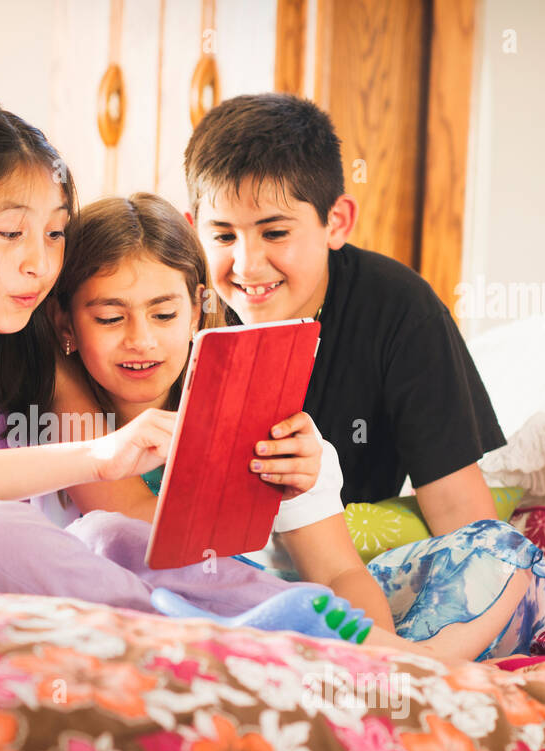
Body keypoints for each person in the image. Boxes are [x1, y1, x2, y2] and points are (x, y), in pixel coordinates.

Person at [43, 192, 545, 661]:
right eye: (111, 319)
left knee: (500, 553)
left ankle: (407, 660)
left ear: (199, 310)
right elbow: (121, 522)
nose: (141, 340)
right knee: (112, 540)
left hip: (305, 616)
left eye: (163, 315)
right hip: (180, 618)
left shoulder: (266, 425)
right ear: (66, 324)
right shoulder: (56, 422)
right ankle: (416, 658)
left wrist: (376, 655)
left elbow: (338, 572)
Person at [184, 93, 505, 535]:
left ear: (335, 222)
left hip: (344, 561)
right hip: (209, 556)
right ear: (192, 229)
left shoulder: (401, 310)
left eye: (275, 232)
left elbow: (458, 509)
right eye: (222, 236)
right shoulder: (175, 308)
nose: (247, 264)